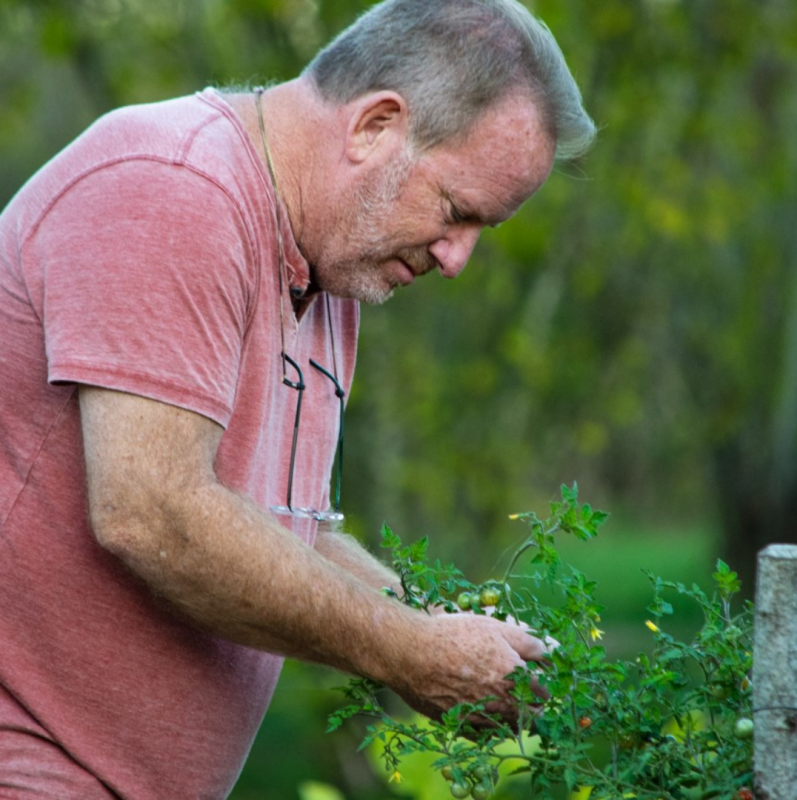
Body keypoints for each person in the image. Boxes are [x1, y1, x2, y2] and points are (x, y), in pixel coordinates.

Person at [0, 0, 595, 796]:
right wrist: (409, 652)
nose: (458, 259)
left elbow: (287, 532)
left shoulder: (330, 273)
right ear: (374, 127)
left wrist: (452, 632)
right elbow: (151, 511)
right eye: (457, 212)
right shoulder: (174, 189)